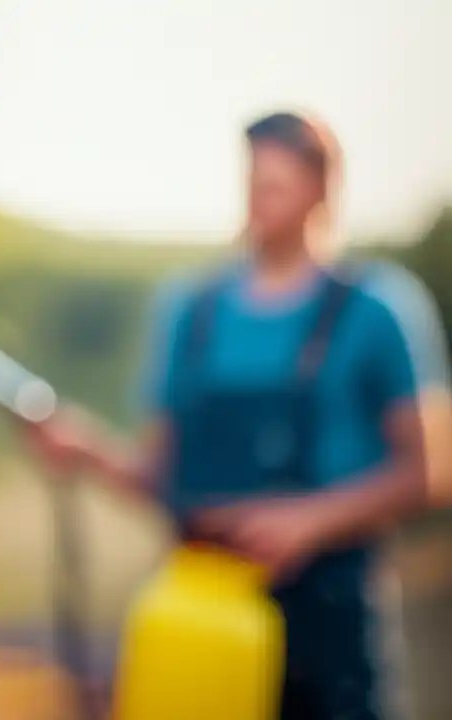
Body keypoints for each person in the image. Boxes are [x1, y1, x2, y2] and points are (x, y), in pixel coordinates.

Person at [25, 111, 452, 719]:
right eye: (252, 183)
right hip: (202, 610)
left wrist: (307, 523)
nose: (257, 201)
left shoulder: (379, 310)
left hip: (330, 621)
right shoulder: (189, 311)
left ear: (322, 189)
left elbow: (430, 472)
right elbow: (158, 476)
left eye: (275, 186)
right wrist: (85, 449)